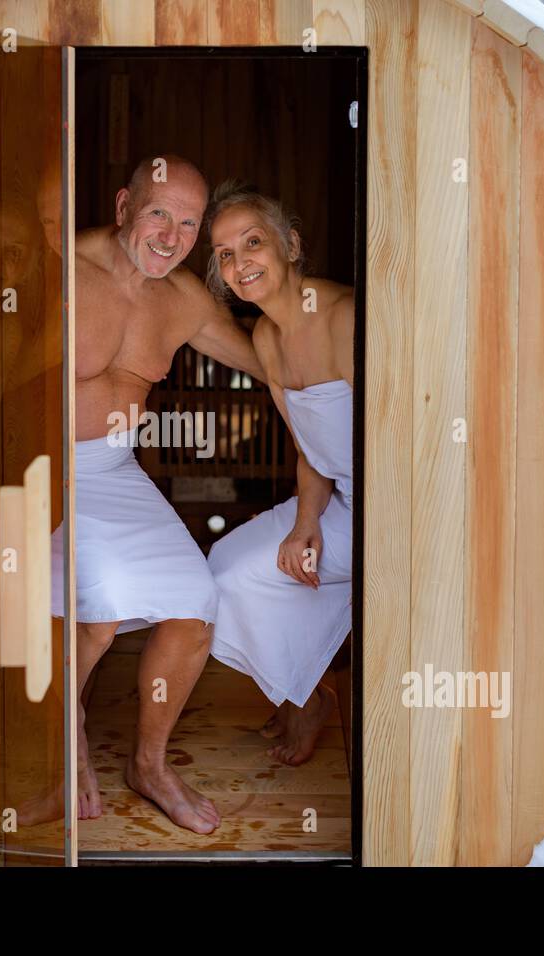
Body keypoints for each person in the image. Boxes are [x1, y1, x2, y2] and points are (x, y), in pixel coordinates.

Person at [27, 155, 264, 835]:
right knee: (96, 614)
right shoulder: (58, 268)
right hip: (44, 469)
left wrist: (338, 343)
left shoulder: (185, 299)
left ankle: (150, 766)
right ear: (125, 202)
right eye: (160, 212)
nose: (171, 235)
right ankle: (59, 753)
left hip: (114, 470)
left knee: (195, 604)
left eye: (189, 224)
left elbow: (266, 359)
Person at [205, 181, 354, 766]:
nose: (240, 263)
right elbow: (308, 447)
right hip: (339, 503)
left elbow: (398, 448)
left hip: (404, 515)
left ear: (291, 245)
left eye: (253, 242)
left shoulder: (343, 317)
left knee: (258, 576)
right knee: (222, 571)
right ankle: (307, 691)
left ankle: (305, 697)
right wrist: (305, 523)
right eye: (224, 254)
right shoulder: (266, 336)